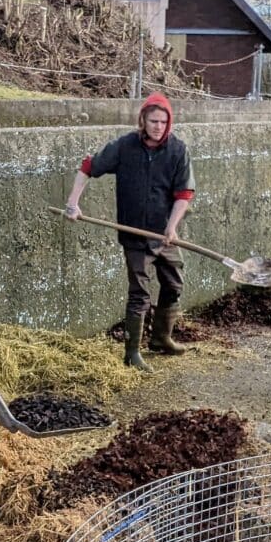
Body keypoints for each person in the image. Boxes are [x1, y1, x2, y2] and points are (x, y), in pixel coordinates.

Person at [62, 93, 194, 369]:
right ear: (143, 120)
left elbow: (184, 194)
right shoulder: (124, 147)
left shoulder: (178, 151)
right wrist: (73, 204)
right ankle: (132, 353)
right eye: (153, 121)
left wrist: (172, 227)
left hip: (164, 234)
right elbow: (88, 167)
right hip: (134, 234)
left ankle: (161, 338)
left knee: (174, 284)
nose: (158, 127)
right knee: (139, 294)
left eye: (163, 122)